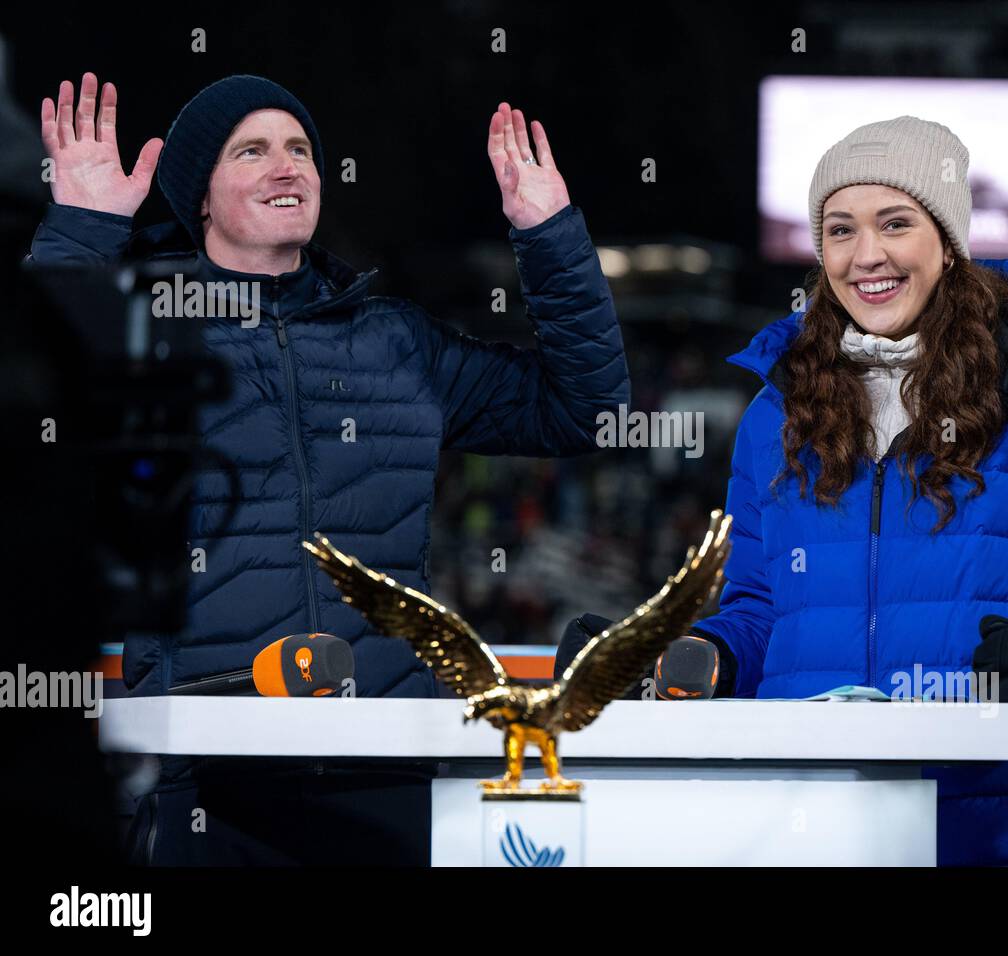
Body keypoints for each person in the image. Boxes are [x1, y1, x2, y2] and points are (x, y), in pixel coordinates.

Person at [28, 72, 630, 863]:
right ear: (199, 199)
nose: (288, 167)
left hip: (385, 763)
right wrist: (80, 235)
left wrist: (549, 237)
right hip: (210, 772)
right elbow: (30, 431)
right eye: (253, 151)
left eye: (300, 149)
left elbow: (587, 409)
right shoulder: (146, 333)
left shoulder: (398, 341)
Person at [684, 116, 1008, 866]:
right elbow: (760, 615)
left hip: (995, 829)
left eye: (895, 223)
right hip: (803, 825)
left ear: (948, 240)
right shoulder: (776, 410)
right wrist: (691, 655)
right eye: (839, 230)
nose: (865, 255)